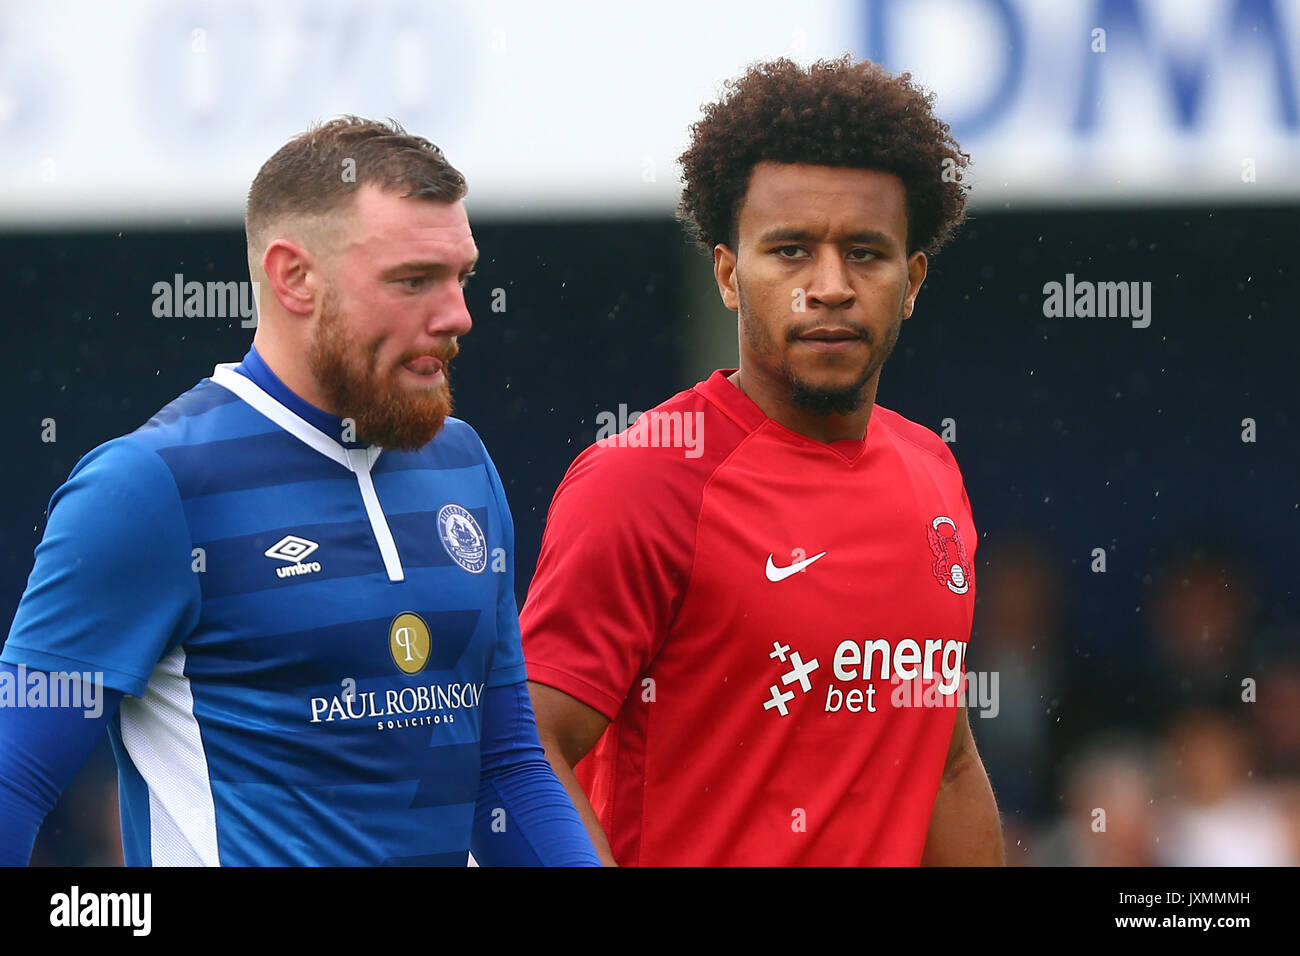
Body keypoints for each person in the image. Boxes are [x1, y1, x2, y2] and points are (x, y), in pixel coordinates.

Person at [0, 116, 599, 867]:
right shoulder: (149, 489)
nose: (457, 317)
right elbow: (12, 781)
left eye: (461, 278)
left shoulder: (461, 464)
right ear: (294, 277)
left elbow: (508, 771)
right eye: (413, 281)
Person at [522, 57, 1003, 865]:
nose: (830, 286)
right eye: (789, 251)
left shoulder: (932, 473)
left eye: (866, 253)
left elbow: (947, 766)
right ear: (727, 274)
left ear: (912, 279)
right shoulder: (641, 481)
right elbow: (529, 752)